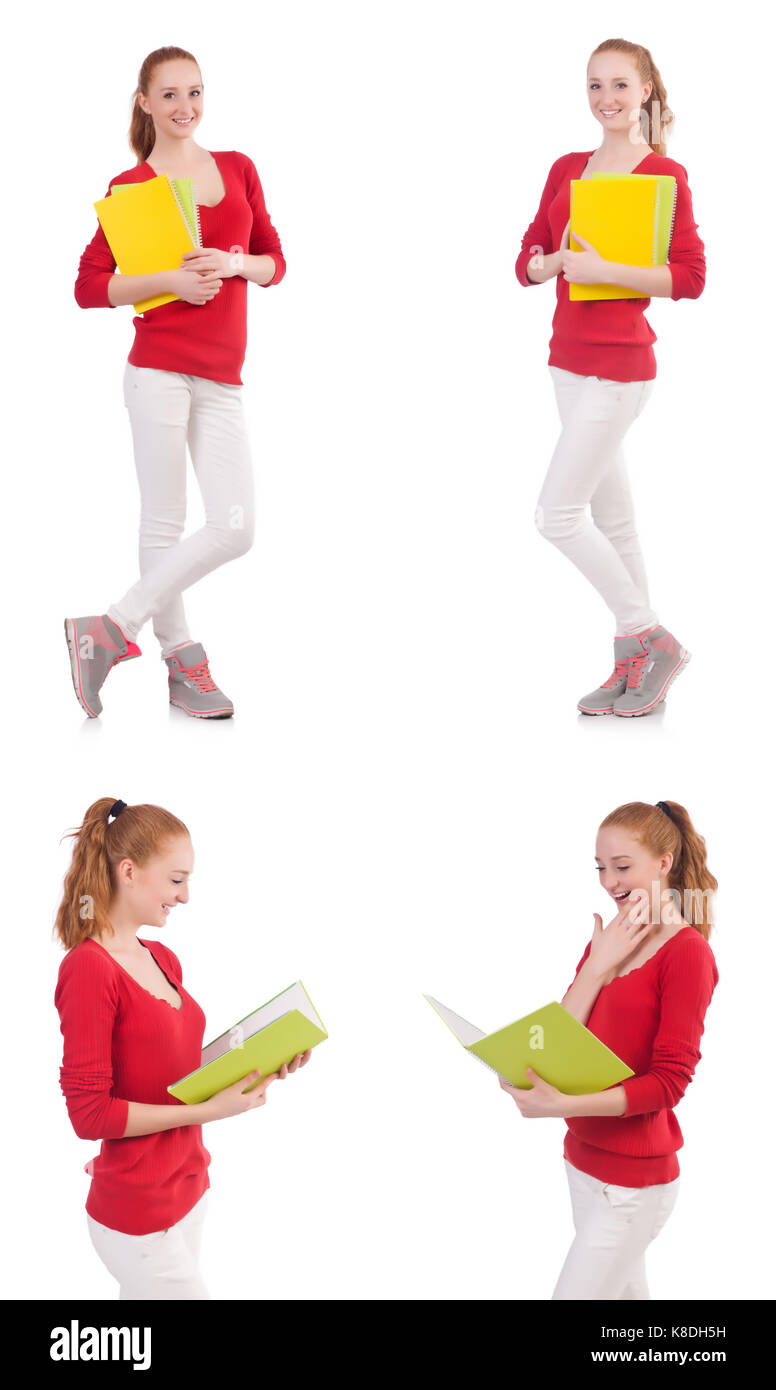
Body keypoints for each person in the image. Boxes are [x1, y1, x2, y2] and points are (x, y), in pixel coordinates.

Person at [66, 46, 285, 719]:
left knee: (236, 525)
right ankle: (182, 663)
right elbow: (87, 287)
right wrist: (168, 281)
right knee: (163, 520)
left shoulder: (239, 169)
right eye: (169, 96)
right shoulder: (130, 188)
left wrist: (233, 261)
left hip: (222, 375)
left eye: (194, 93)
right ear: (145, 102)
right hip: (157, 367)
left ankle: (107, 630)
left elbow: (276, 263)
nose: (184, 107)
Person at [53, 797, 311, 1300]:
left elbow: (172, 1074)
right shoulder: (89, 969)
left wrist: (261, 1065)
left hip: (189, 1189)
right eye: (176, 880)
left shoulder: (163, 958)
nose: (186, 896)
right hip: (137, 1213)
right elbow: (89, 1116)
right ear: (129, 872)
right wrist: (213, 1110)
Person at [514, 39, 705, 716]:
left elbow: (690, 276)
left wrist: (607, 274)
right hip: (567, 362)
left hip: (623, 368)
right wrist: (547, 264)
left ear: (647, 91)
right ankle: (634, 663)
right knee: (612, 517)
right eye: (595, 86)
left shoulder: (665, 175)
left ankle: (654, 638)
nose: (607, 100)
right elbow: (530, 251)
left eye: (621, 85)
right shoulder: (567, 167)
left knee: (556, 515)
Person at [500, 800, 718, 1300]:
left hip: (633, 1187)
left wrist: (563, 1105)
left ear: (664, 863)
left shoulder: (688, 954)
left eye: (622, 867)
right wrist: (598, 965)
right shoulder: (610, 940)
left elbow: (670, 1083)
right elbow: (560, 1035)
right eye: (601, 867)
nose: (609, 882)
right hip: (581, 1162)